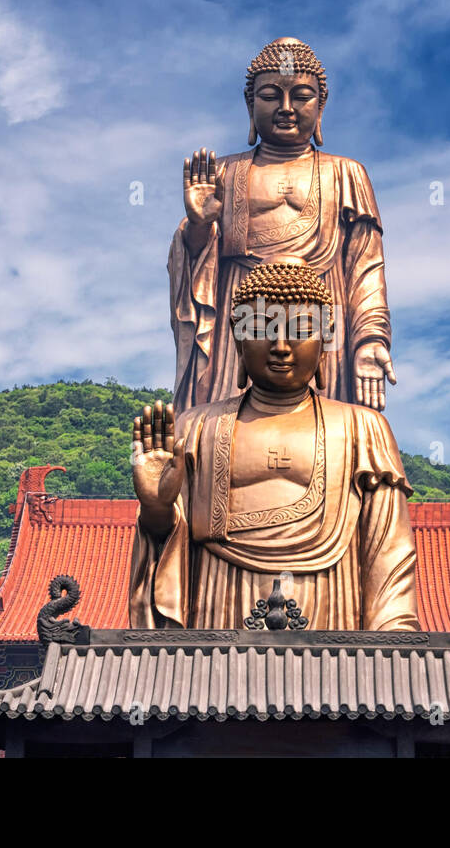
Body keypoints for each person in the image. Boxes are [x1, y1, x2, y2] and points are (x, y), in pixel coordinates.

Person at [131, 258, 418, 630]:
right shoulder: (197, 428)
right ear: (237, 336)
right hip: (219, 608)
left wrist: (390, 648)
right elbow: (171, 554)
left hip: (331, 612)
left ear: (325, 337)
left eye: (300, 329)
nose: (281, 346)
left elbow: (388, 553)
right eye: (263, 328)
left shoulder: (363, 429)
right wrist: (156, 510)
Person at [169, 37, 397, 413]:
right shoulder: (224, 173)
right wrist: (197, 227)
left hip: (322, 319)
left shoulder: (346, 174)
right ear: (250, 104)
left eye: (302, 96)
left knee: (332, 437)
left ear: (320, 107)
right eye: (271, 96)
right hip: (240, 321)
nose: (287, 108)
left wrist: (371, 338)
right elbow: (193, 265)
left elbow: (366, 269)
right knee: (218, 430)